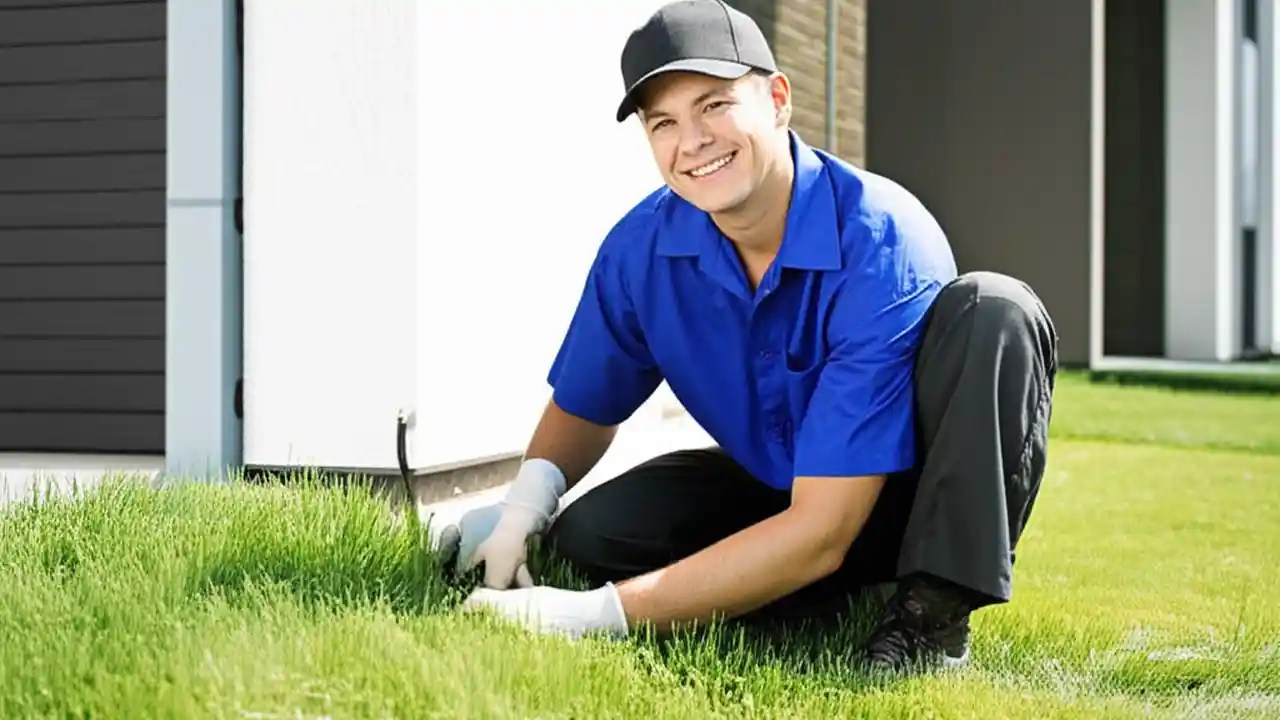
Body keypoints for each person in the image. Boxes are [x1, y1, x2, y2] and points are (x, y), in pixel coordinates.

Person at [441, 0, 1058, 672]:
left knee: (997, 310)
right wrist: (522, 510)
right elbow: (586, 400)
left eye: (714, 105)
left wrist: (597, 615)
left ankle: (928, 616)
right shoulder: (641, 248)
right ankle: (782, 587)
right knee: (591, 536)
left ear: (778, 99)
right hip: (781, 482)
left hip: (897, 502)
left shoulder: (883, 241)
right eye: (665, 123)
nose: (693, 141)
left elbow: (824, 530)